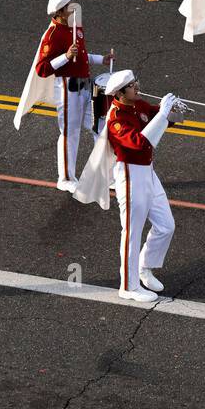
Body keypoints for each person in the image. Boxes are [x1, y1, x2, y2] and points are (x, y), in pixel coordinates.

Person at [74, 70, 180, 303]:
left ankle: (144, 267)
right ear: (120, 94)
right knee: (132, 233)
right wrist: (163, 114)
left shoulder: (138, 105)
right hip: (131, 176)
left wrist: (174, 112)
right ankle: (128, 286)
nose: (137, 87)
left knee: (166, 226)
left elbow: (163, 121)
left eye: (135, 82)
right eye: (131, 86)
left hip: (148, 173)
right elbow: (141, 143)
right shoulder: (116, 120)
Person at [14, 0, 113, 191]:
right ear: (60, 11)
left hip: (85, 86)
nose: (73, 7)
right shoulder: (52, 35)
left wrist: (101, 59)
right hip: (68, 90)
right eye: (69, 6)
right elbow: (42, 69)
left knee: (100, 127)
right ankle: (66, 178)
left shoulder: (74, 26)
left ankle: (107, 177)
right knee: (70, 133)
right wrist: (66, 57)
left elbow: (82, 55)